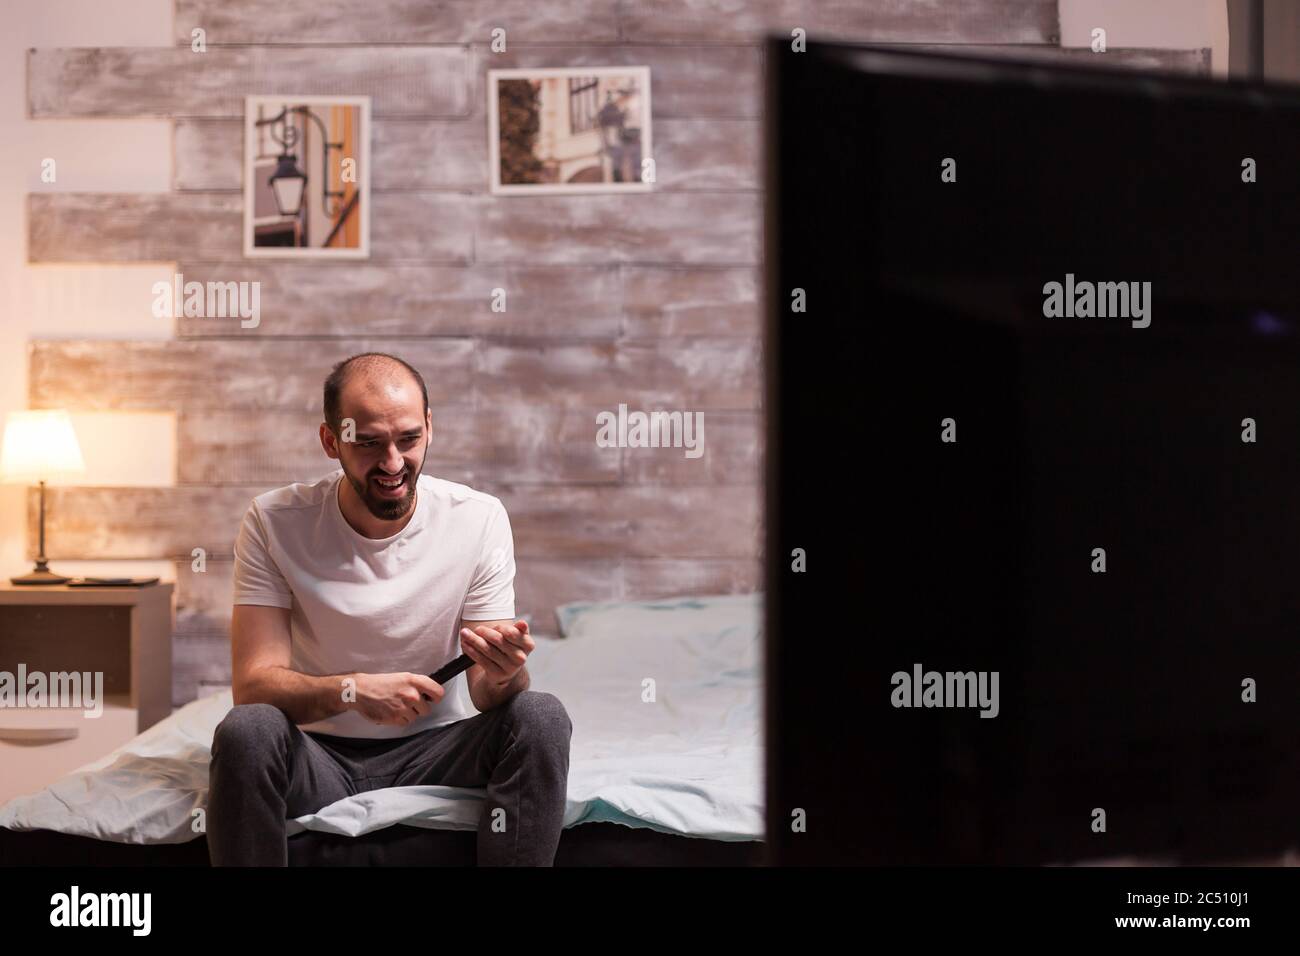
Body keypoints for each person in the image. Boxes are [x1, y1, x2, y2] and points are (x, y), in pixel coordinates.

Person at [206, 352, 572, 865]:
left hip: (436, 750)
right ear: (331, 441)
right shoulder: (274, 521)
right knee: (246, 731)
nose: (393, 463)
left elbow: (490, 695)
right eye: (369, 443)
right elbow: (253, 686)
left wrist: (506, 672)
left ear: (429, 428)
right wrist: (353, 691)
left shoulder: (478, 519)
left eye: (408, 439)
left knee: (540, 714)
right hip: (317, 757)